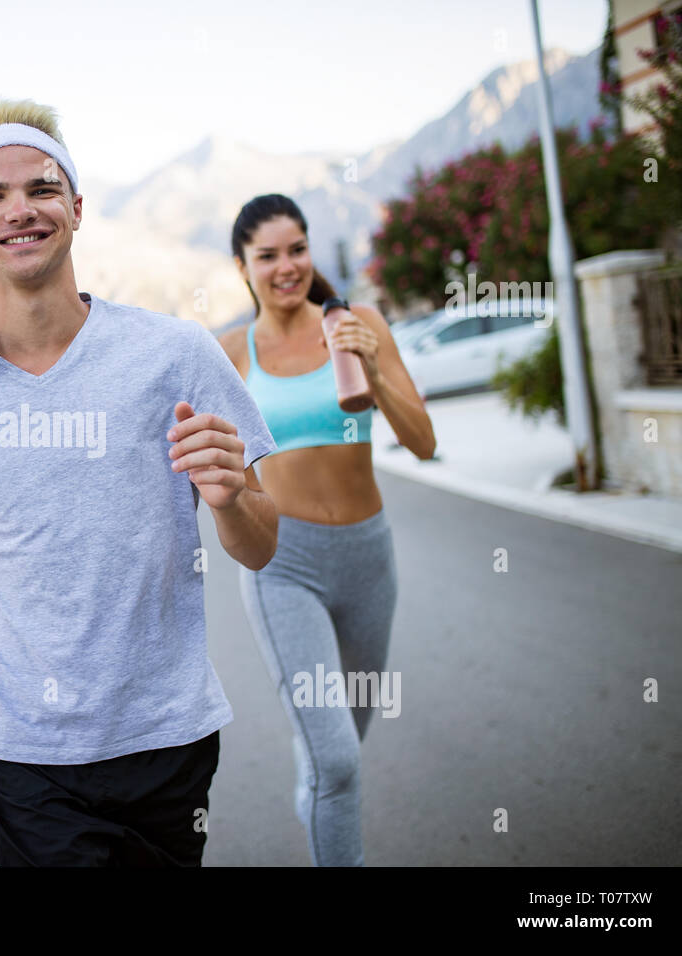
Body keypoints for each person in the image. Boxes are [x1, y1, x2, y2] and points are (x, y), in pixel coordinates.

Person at [0, 99, 281, 867]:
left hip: (166, 733)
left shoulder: (177, 354)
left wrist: (230, 501)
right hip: (20, 746)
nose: (18, 210)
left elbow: (262, 548)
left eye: (39, 187)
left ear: (74, 207)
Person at [217, 194, 436, 866]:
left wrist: (370, 365)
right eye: (269, 255)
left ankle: (315, 779)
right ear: (242, 267)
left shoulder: (358, 322)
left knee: (344, 746)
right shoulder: (231, 352)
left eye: (298, 249)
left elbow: (422, 441)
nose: (288, 267)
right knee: (337, 759)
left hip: (369, 559)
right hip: (284, 566)